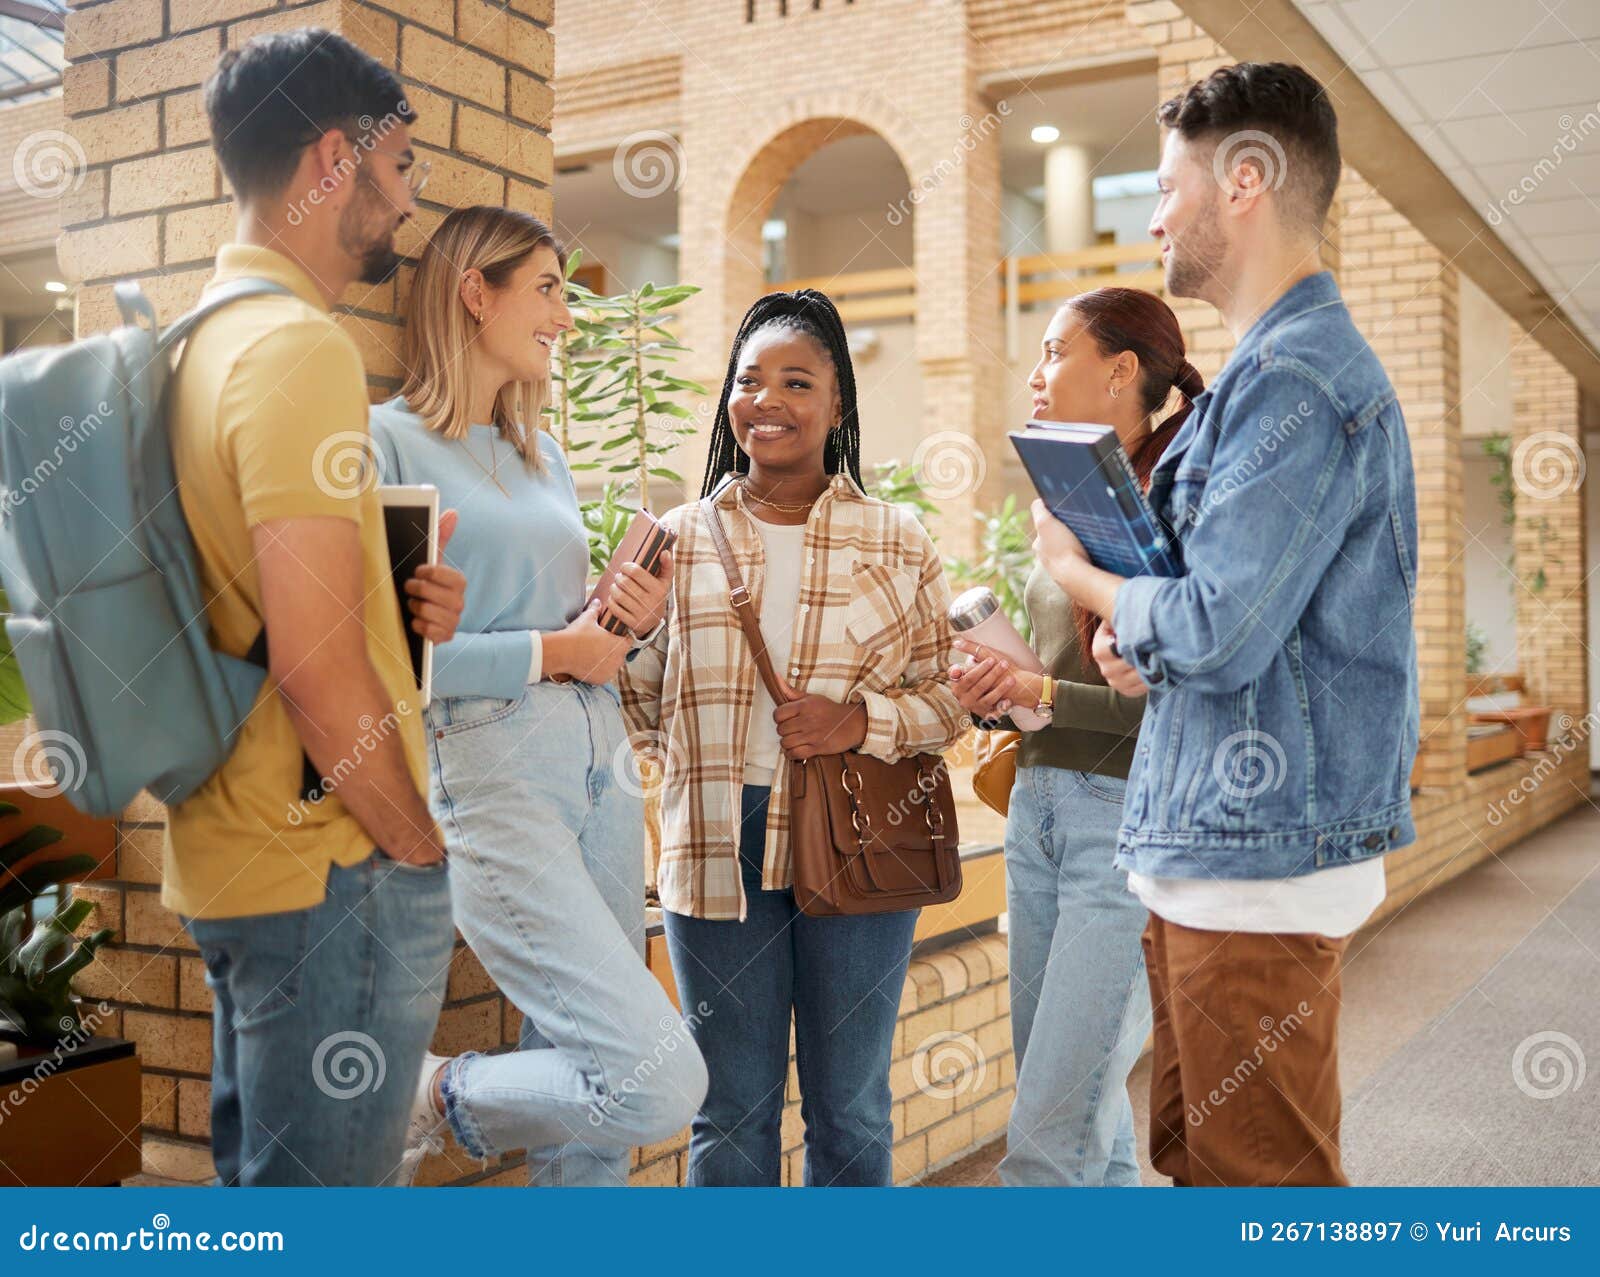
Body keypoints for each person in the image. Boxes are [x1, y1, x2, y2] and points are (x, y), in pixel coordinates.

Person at [1033, 61, 1419, 1187]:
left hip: (1253, 856)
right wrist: (1136, 650)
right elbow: (1224, 628)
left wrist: (1082, 576)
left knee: (1263, 1190)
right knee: (1197, 1164)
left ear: (1245, 179)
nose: (1151, 215)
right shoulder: (1259, 375)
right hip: (1205, 840)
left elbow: (1211, 628)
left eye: (1166, 186)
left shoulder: (1297, 379)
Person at [168, 29, 467, 1186]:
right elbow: (312, 662)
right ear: (335, 161)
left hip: (236, 850)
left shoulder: (196, 339)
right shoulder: (298, 350)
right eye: (403, 168)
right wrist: (414, 843)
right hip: (329, 870)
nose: (405, 202)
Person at [371, 205, 707, 1187]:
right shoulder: (386, 441)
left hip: (598, 755)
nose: (566, 313)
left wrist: (621, 614)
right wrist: (553, 647)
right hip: (490, 765)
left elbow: (570, 634)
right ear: (475, 291)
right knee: (654, 1079)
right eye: (550, 288)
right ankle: (432, 1096)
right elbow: (391, 655)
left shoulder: (541, 449)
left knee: (597, 1109)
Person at [619, 290, 966, 1186]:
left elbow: (949, 703)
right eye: (748, 380)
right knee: (729, 1108)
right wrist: (610, 629)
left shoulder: (898, 538)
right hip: (713, 847)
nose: (765, 399)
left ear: (838, 404)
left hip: (858, 842)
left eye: (796, 381)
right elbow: (631, 703)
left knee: (849, 1107)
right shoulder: (679, 540)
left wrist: (859, 722)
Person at [948, 288, 1202, 1186]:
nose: (1036, 372)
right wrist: (997, 690)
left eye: (1055, 351)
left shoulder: (1172, 506)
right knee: (1087, 1119)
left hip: (1124, 821)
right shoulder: (1071, 499)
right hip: (1038, 809)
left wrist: (1041, 686)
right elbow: (1061, 679)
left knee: (1045, 1138)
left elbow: (1180, 704)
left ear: (1121, 371)